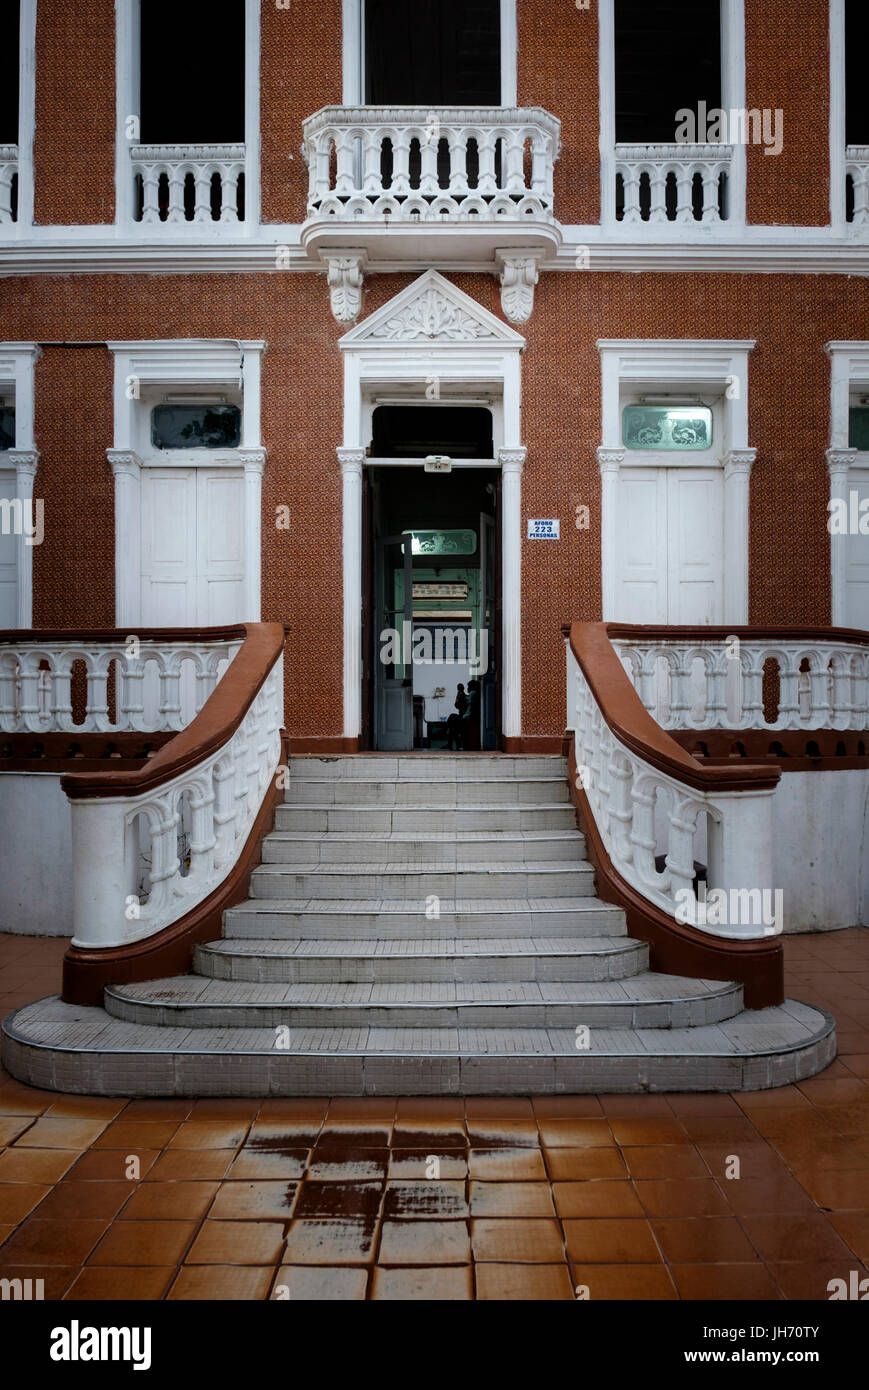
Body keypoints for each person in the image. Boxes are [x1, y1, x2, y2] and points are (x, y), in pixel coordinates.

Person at [446, 683, 467, 750]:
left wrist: (458, 697)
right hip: (462, 715)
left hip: (463, 716)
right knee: (452, 718)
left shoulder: (461, 695)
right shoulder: (463, 695)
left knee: (453, 725)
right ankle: (453, 743)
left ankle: (452, 743)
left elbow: (456, 705)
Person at [462, 679, 481, 751]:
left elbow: (468, 702)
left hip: (469, 716)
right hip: (468, 715)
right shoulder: (474, 693)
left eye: (468, 686)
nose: (467, 688)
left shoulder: (473, 693)